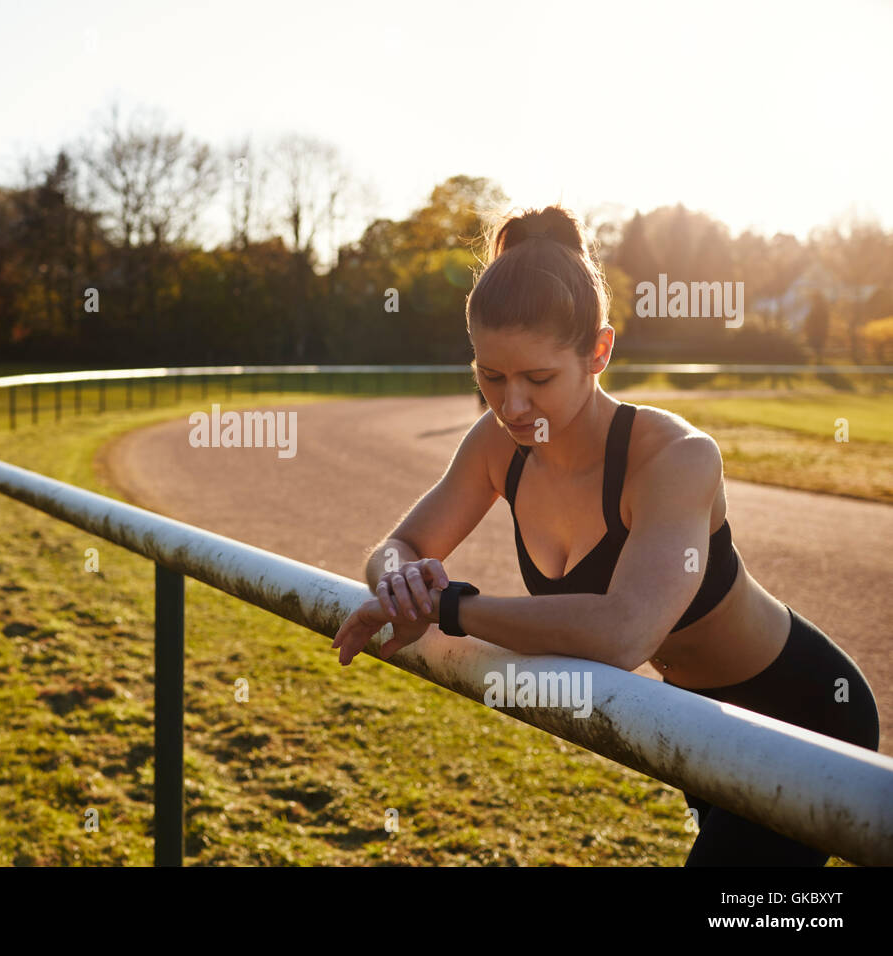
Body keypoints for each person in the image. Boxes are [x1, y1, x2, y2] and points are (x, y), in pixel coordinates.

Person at [331, 205, 880, 866]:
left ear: (599, 351)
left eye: (538, 379)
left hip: (801, 713)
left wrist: (447, 607)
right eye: (490, 377)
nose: (512, 407)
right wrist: (401, 583)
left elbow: (623, 633)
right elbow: (399, 545)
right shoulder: (495, 445)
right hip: (692, 723)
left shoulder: (676, 456)